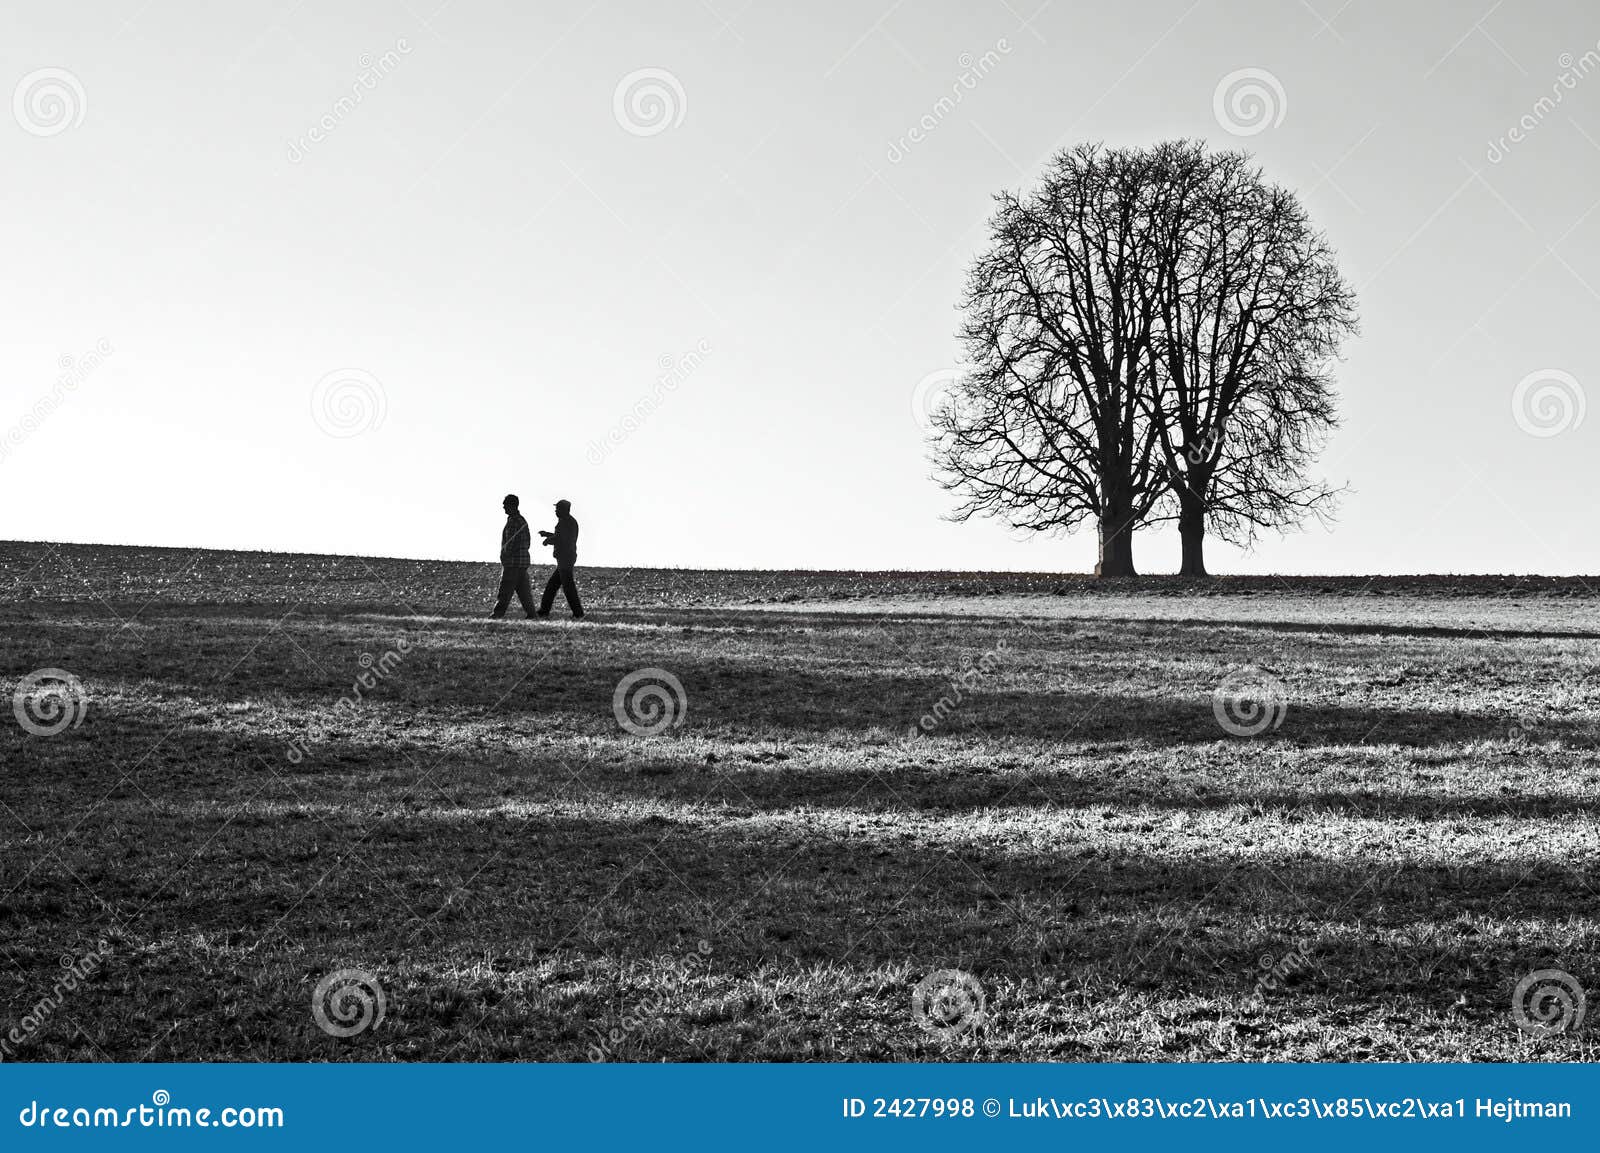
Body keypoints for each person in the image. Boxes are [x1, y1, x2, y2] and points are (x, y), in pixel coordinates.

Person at [490, 493, 537, 619]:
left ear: (511, 505)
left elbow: (510, 543)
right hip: (523, 562)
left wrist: (504, 555)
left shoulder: (513, 521)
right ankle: (532, 615)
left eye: (505, 505)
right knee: (524, 593)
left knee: (505, 590)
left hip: (512, 563)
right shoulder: (522, 520)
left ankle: (497, 614)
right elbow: (527, 542)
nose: (503, 507)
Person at [536, 498, 584, 619]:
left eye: (558, 508)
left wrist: (548, 540)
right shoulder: (568, 521)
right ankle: (544, 610)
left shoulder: (566, 522)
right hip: (565, 558)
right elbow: (560, 537)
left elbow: (561, 539)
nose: (556, 511)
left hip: (565, 559)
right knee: (553, 586)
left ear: (564, 510)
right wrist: (547, 534)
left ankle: (578, 613)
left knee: (567, 588)